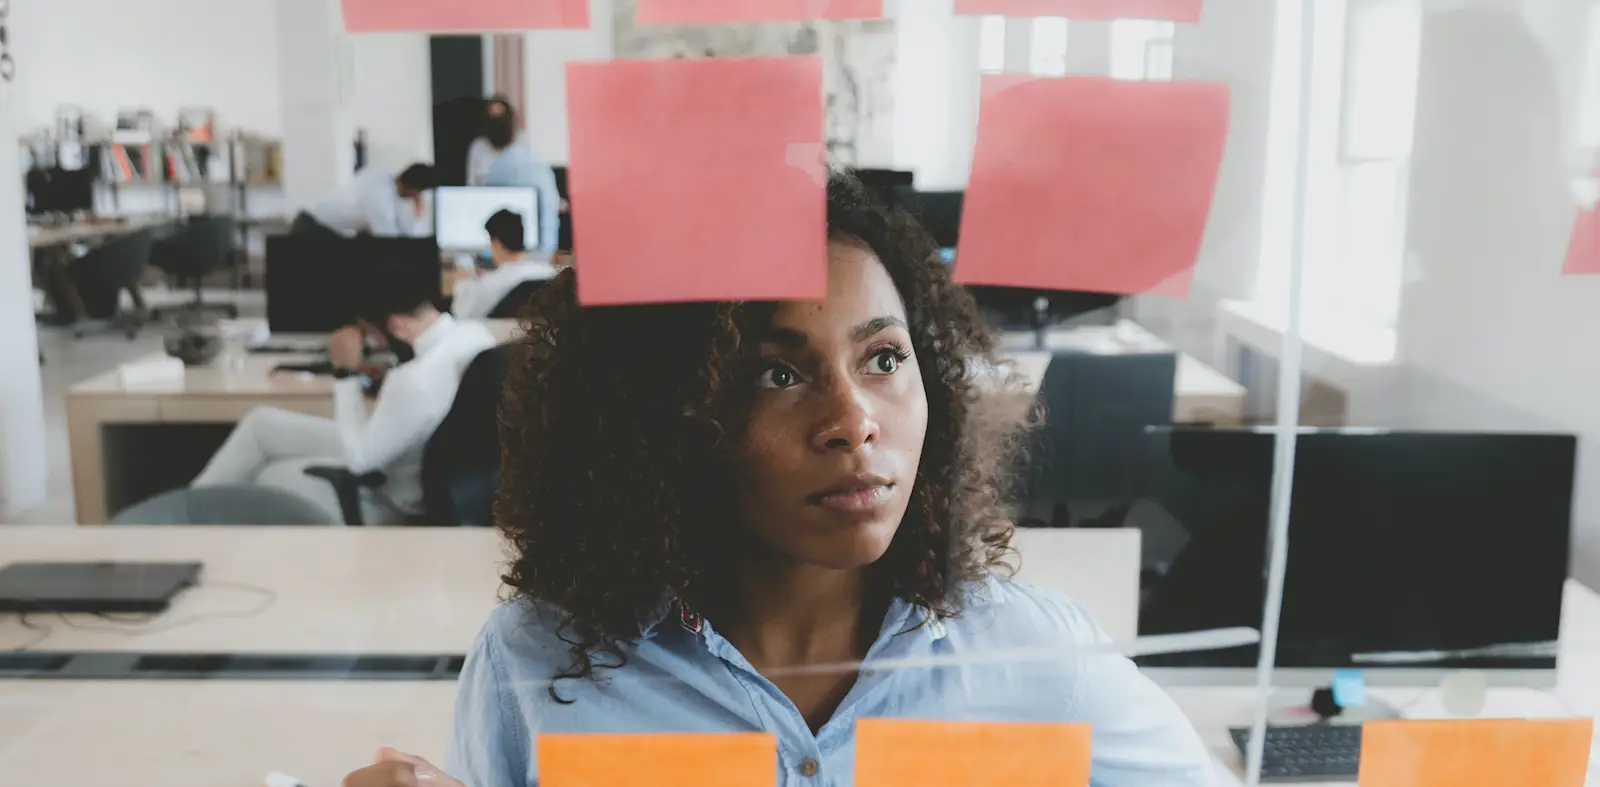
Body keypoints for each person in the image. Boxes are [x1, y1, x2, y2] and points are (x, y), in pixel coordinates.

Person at [342, 175, 1210, 787]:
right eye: (777, 374)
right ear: (666, 414)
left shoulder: (1035, 660)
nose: (854, 420)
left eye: (882, 357)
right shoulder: (538, 660)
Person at [190, 277, 496, 523]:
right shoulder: (474, 335)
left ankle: (187, 519)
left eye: (371, 335)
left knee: (269, 472)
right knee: (261, 424)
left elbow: (358, 460)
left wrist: (345, 375)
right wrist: (384, 380)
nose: (373, 344)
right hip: (438, 474)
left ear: (396, 326)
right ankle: (186, 511)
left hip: (392, 497)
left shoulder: (413, 381)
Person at [466, 98, 561, 255]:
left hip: (523, 218)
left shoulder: (523, 145)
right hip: (491, 216)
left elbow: (543, 184)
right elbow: (472, 189)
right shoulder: (478, 148)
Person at [451, 210, 558, 320]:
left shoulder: (491, 283)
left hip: (504, 335)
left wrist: (464, 282)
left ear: (496, 243)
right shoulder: (549, 273)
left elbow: (461, 314)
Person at [291, 163, 439, 239]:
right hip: (312, 230)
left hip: (319, 226)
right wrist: (419, 212)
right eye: (420, 193)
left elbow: (400, 229)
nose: (418, 197)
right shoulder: (379, 200)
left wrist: (416, 211)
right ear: (414, 190)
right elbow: (392, 242)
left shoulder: (386, 176)